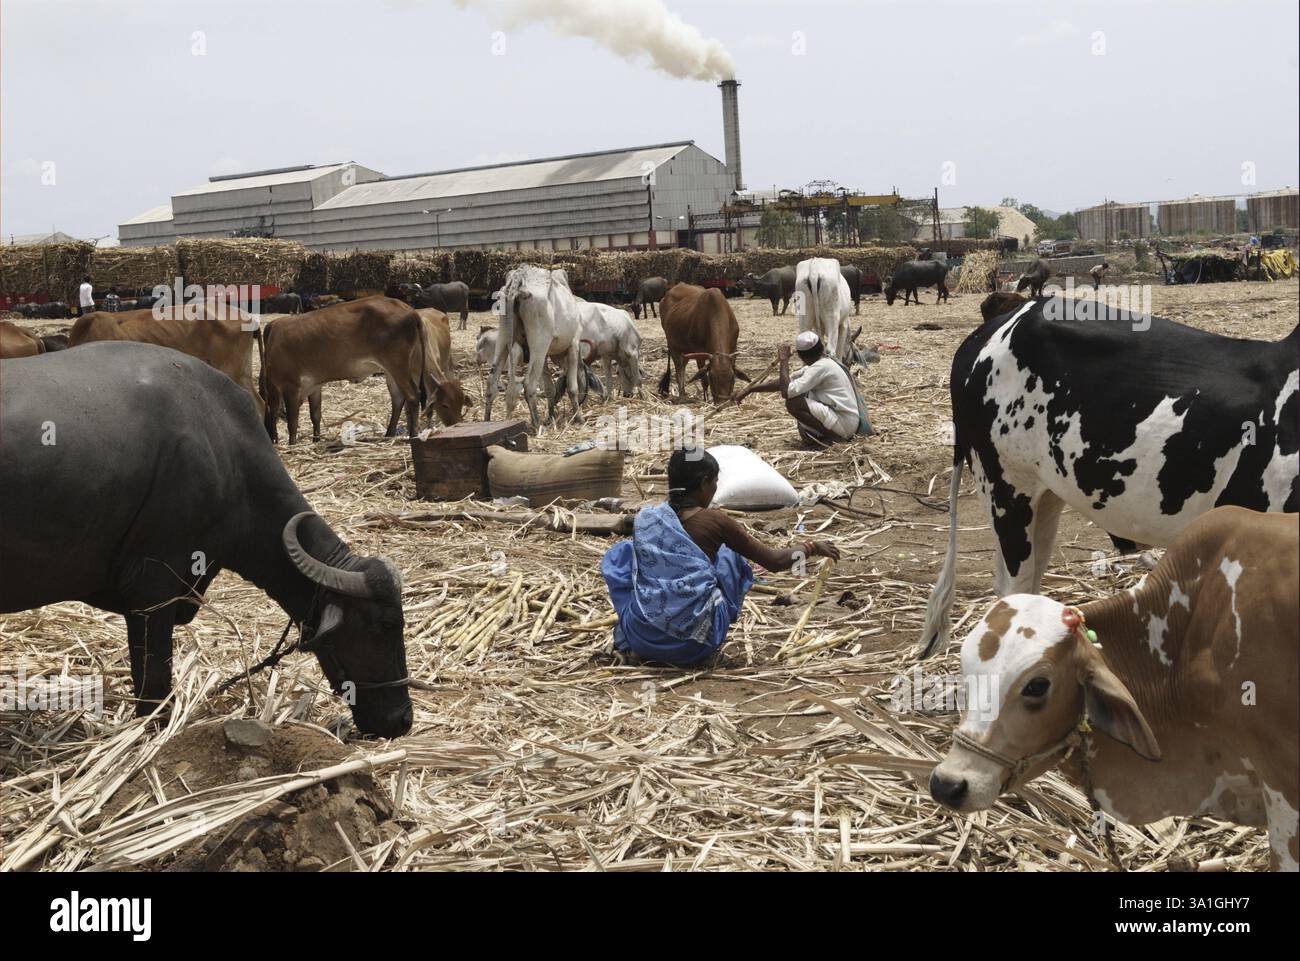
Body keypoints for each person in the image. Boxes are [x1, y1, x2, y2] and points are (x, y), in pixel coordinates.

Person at [600, 448, 840, 667]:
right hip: (691, 646)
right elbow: (774, 562)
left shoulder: (649, 519)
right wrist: (811, 547)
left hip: (642, 638)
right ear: (704, 483)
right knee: (729, 556)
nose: (715, 488)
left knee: (625, 554)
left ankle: (641, 641)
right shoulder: (715, 521)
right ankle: (707, 644)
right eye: (715, 482)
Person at [734, 330, 866, 447]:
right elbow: (783, 383)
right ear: (821, 348)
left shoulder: (821, 367)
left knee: (794, 403)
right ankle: (827, 436)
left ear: (801, 356)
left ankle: (835, 438)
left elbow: (786, 392)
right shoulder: (820, 365)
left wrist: (784, 361)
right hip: (844, 421)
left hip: (844, 423)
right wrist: (749, 390)